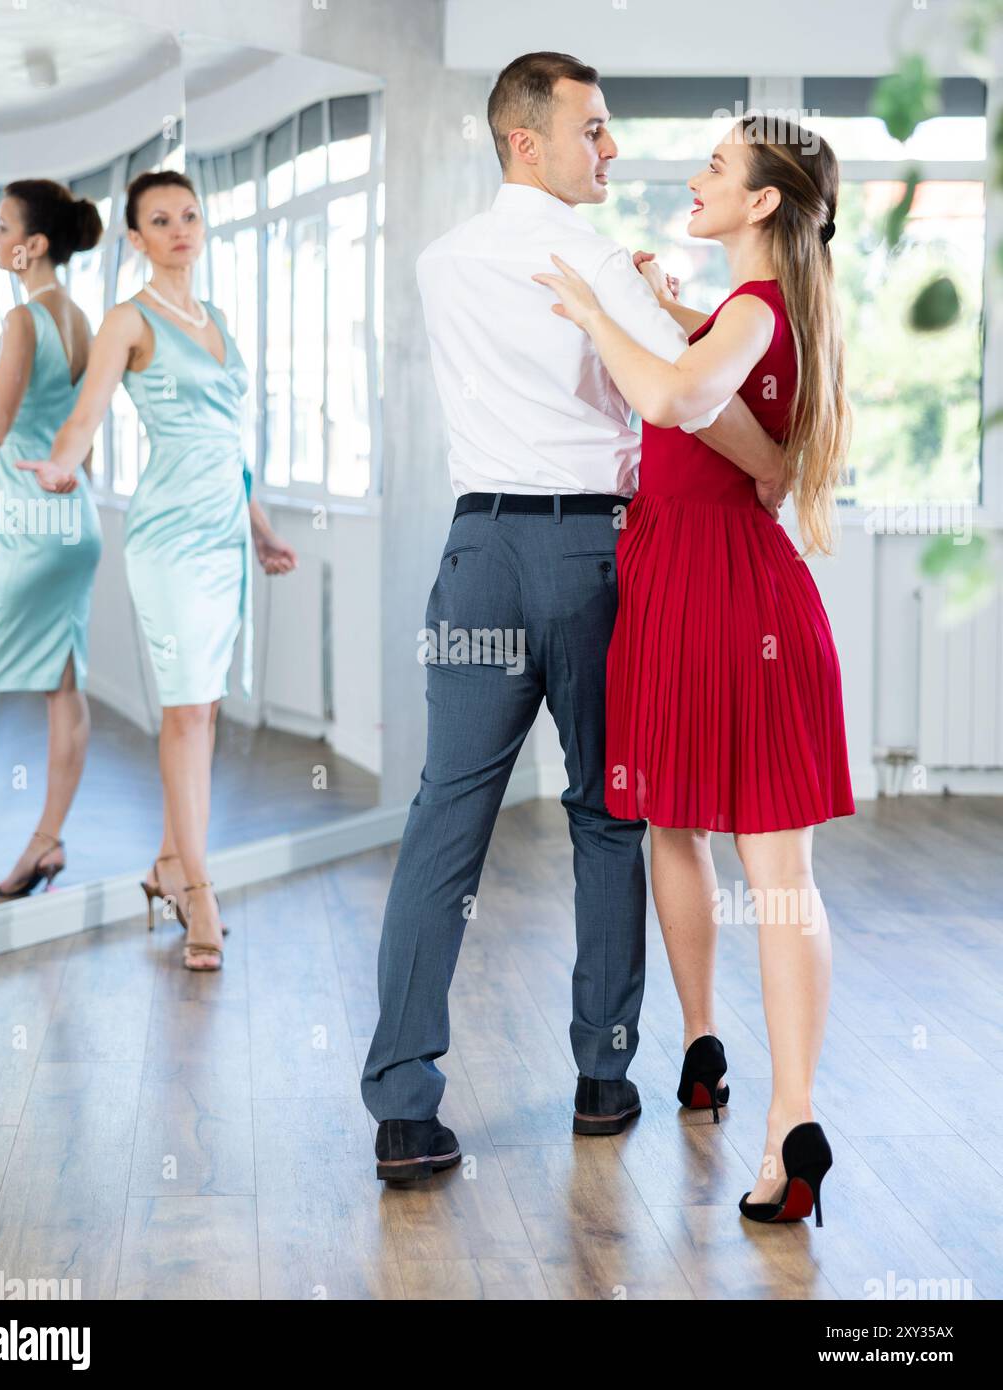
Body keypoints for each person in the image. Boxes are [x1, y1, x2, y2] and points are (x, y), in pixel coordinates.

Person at [360, 52, 786, 1183]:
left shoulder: (438, 260)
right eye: (591, 130)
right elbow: (692, 393)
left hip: (476, 554)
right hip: (598, 556)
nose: (609, 149)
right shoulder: (595, 258)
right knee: (606, 812)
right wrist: (778, 465)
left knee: (445, 816)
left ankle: (402, 1109)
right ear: (525, 143)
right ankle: (603, 1079)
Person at [534, 113, 854, 1226]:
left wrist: (589, 310)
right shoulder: (763, 313)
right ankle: (772, 1102)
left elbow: (673, 398)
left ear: (761, 202)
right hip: (734, 592)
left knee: (677, 829)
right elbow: (735, 425)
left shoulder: (754, 313)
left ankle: (724, 1063)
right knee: (772, 871)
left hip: (695, 592)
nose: (692, 175)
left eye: (716, 166)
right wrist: (660, 307)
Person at [18, 171, 296, 970]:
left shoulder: (216, 322)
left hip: (222, 537)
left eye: (189, 215)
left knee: (202, 712)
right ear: (136, 240)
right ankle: (200, 894)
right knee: (185, 713)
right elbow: (85, 416)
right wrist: (61, 464)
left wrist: (263, 531)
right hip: (171, 542)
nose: (180, 229)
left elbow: (229, 449)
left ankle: (169, 866)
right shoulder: (126, 320)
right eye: (160, 221)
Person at [0, 179, 102, 897]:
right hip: (76, 524)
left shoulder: (22, 321)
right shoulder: (81, 321)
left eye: (2, 228)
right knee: (61, 682)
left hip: (31, 534)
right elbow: (84, 444)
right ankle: (47, 844)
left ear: (32, 246)